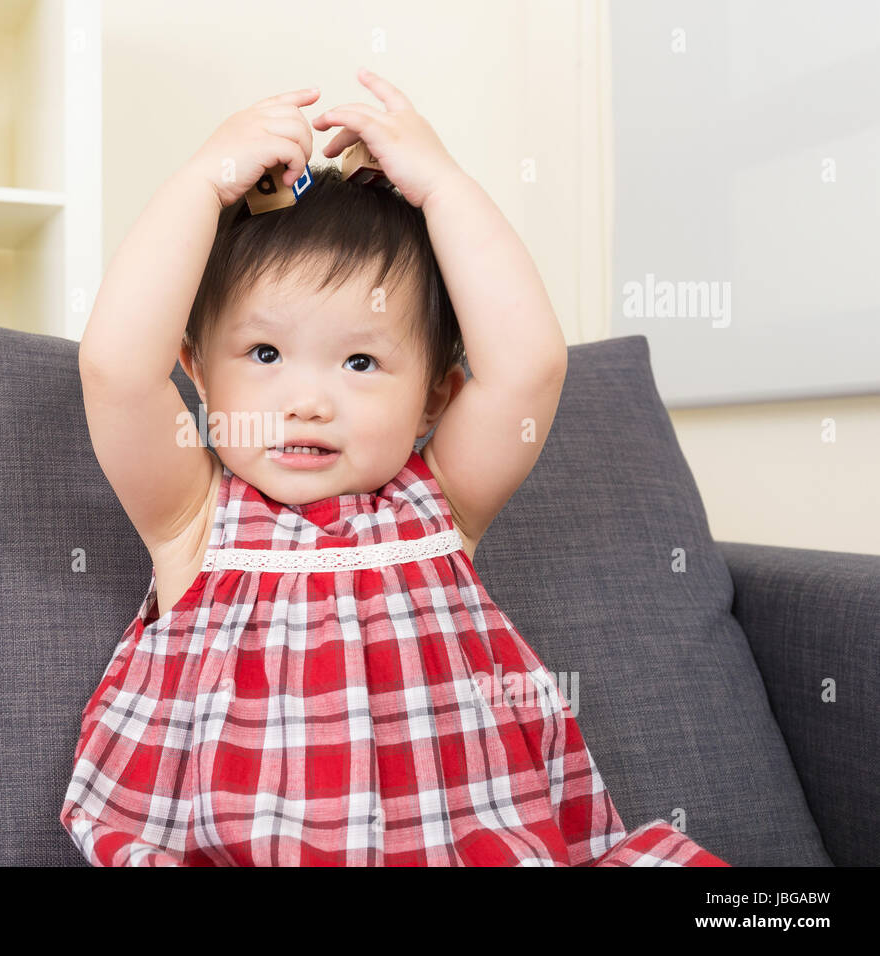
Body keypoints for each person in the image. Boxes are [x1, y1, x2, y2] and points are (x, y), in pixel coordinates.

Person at [61, 68, 729, 866]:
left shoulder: (441, 504)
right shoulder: (192, 520)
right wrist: (201, 183)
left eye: (362, 362)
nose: (308, 402)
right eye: (266, 353)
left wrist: (444, 187)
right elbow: (114, 370)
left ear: (434, 399)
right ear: (197, 371)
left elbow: (528, 369)